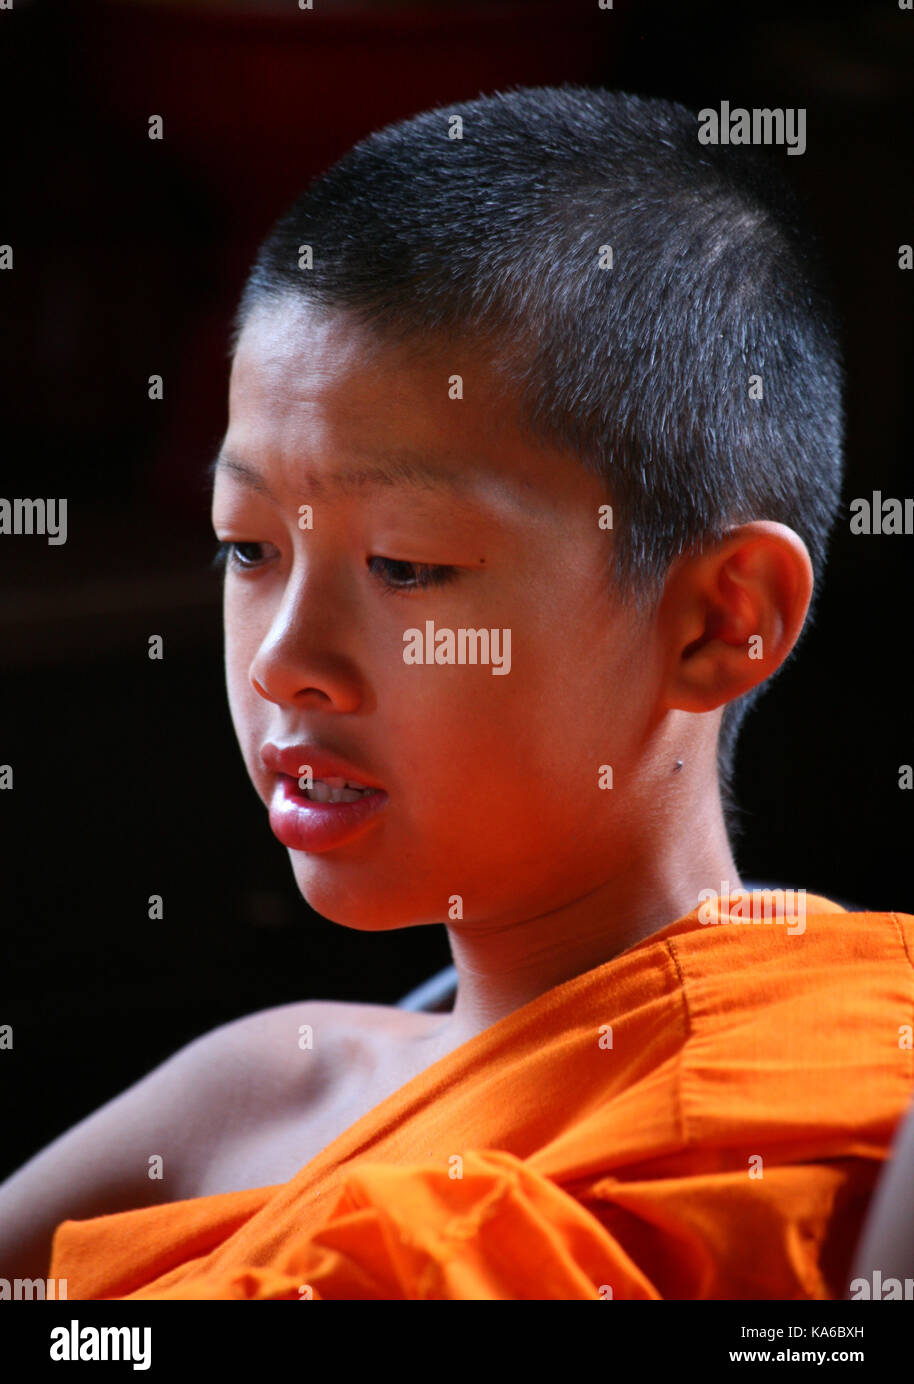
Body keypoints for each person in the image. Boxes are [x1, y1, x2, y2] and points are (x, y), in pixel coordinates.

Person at [1, 85, 911, 1300]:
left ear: (717, 620)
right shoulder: (257, 1093)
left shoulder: (850, 1088)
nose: (282, 657)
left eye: (405, 565)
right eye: (247, 547)